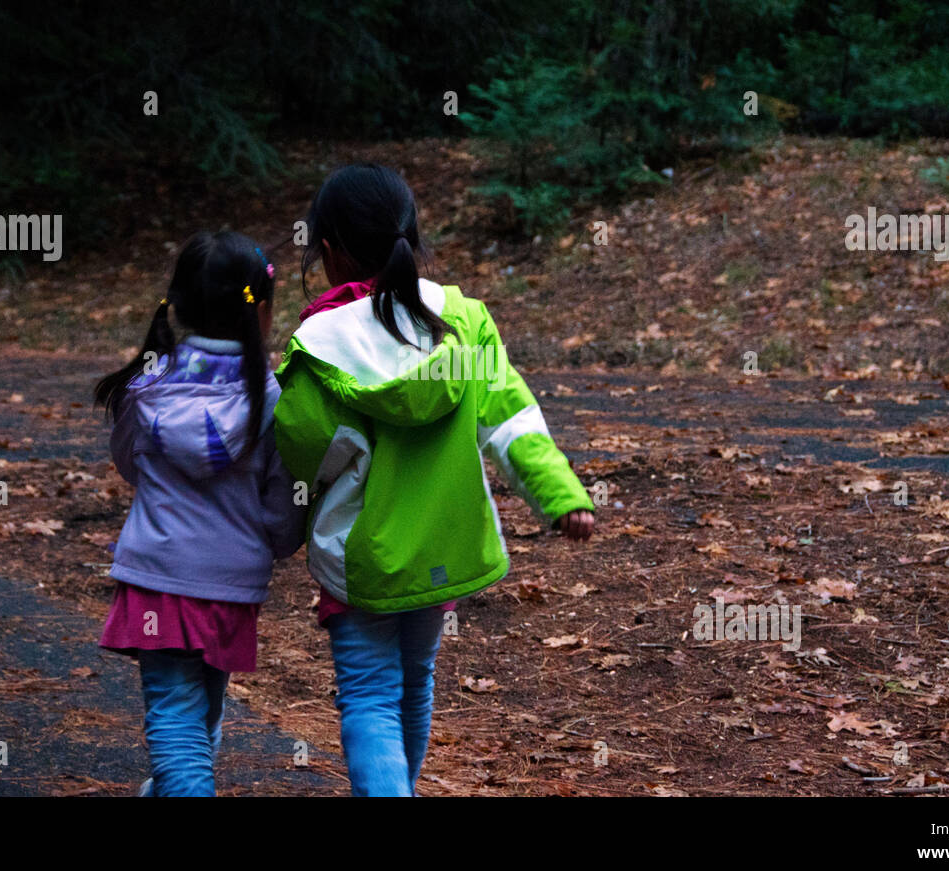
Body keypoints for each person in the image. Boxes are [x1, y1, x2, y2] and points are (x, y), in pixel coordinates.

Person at [274, 164, 594, 796]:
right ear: (409, 237)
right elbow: (512, 421)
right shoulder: (466, 322)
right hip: (443, 550)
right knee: (415, 684)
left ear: (330, 252)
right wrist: (561, 496)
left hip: (363, 560)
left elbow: (304, 448)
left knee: (369, 698)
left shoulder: (318, 343)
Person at [95, 230, 302, 796]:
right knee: (200, 710)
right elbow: (283, 502)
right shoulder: (270, 398)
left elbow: (130, 463)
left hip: (158, 577)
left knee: (177, 711)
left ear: (178, 304)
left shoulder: (148, 385)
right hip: (228, 584)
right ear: (260, 310)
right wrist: (279, 540)